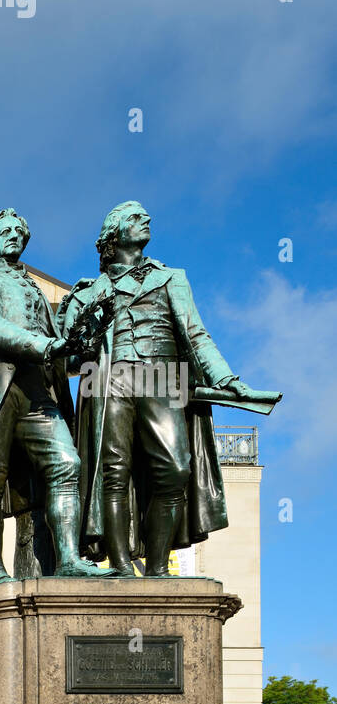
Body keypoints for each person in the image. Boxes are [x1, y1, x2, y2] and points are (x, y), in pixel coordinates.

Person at [60, 201, 254, 575]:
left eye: (144, 215)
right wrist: (85, 331)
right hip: (108, 381)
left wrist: (225, 378)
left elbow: (196, 335)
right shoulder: (87, 293)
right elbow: (70, 362)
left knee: (176, 469)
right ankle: (118, 565)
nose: (146, 220)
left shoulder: (172, 278)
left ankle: (157, 567)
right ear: (112, 235)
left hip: (162, 379)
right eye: (134, 217)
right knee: (113, 471)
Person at [0, 208, 106, 584]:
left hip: (38, 394)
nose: (15, 235)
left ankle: (68, 559)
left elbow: (57, 356)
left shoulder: (35, 292)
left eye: (21, 232)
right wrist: (47, 345)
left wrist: (79, 350)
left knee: (67, 464)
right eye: (7, 230)